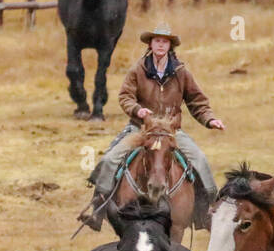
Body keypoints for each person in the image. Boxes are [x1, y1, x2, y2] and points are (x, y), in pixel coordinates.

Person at [79, 23, 225, 231]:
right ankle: (98, 209)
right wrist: (138, 110)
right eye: (157, 40)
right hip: (141, 129)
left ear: (170, 46)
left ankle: (207, 212)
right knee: (111, 159)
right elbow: (125, 96)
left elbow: (197, 101)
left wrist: (210, 120)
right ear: (150, 43)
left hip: (171, 131)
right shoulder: (138, 69)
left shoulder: (181, 72)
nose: (160, 45)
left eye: (164, 41)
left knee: (199, 160)